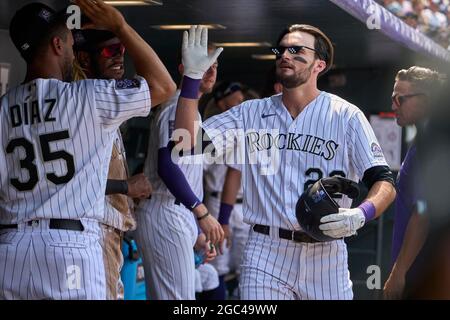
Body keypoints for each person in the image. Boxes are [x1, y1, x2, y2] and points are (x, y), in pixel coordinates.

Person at [174, 25, 396, 300]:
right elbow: (185, 144)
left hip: (325, 253)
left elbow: (385, 181)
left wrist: (361, 213)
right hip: (265, 250)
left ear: (319, 64)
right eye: (281, 50)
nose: (285, 55)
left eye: (296, 50)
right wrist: (191, 81)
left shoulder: (346, 115)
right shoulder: (251, 112)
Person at [0, 0, 174, 299]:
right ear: (57, 44)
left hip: (10, 245)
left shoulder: (2, 108)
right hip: (70, 246)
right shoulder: (87, 97)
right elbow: (163, 86)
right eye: (68, 40)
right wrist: (120, 25)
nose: (71, 48)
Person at [134, 44, 223, 300]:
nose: (210, 72)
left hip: (178, 212)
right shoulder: (177, 107)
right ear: (184, 68)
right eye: (205, 65)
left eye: (214, 66)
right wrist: (201, 212)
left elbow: (189, 173)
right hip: (166, 210)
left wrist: (196, 224)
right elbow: (167, 165)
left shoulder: (191, 109)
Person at [73, 29, 157, 300]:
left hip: (108, 232)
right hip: (90, 231)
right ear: (84, 59)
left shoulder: (105, 103)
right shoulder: (80, 104)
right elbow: (66, 180)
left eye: (122, 50)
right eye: (110, 51)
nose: (120, 56)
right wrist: (125, 185)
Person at [383, 66, 444, 299]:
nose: (393, 106)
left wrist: (399, 273)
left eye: (400, 99)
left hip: (423, 274)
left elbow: (423, 212)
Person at [202, 81, 246, 299]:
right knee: (216, 265)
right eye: (235, 96)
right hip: (217, 202)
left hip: (246, 206)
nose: (241, 99)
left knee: (248, 268)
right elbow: (195, 171)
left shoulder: (250, 128)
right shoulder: (213, 129)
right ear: (221, 101)